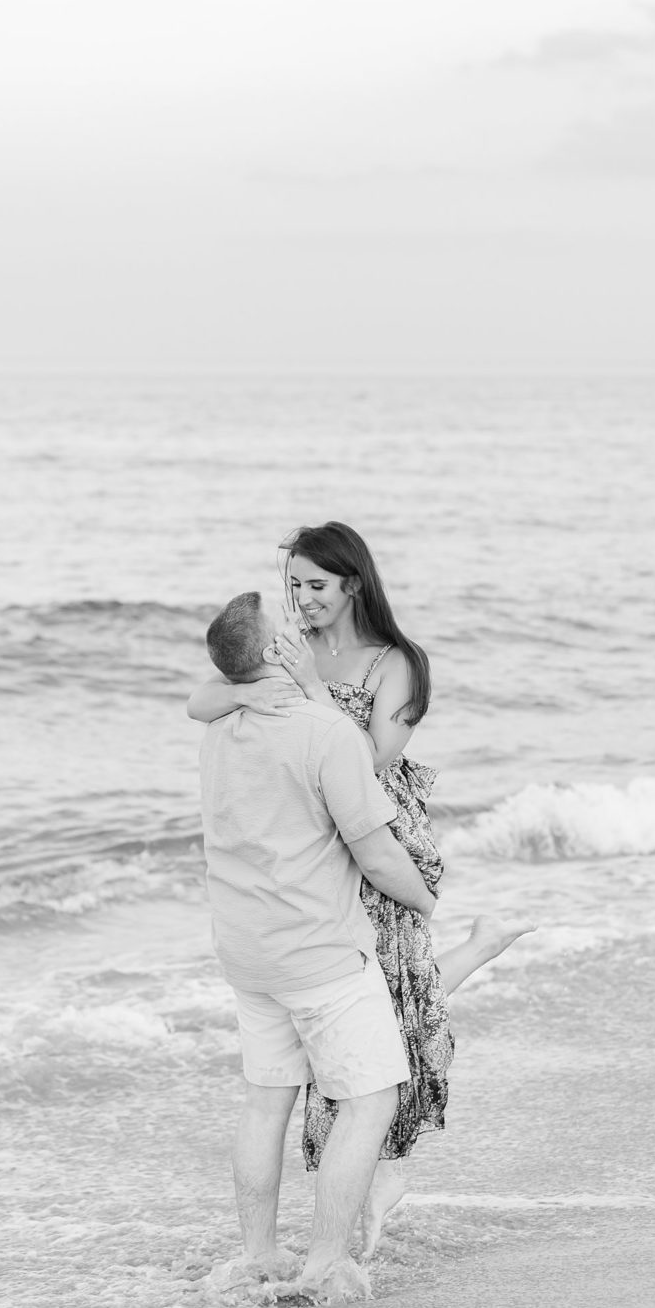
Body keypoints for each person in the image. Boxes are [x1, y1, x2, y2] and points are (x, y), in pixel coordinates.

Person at [189, 522, 534, 1258]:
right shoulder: (288, 647)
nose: (302, 599)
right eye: (292, 586)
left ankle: (378, 1175)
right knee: (354, 1026)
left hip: (371, 831)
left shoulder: (395, 661)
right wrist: (254, 688)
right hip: (318, 835)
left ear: (353, 583)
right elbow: (204, 703)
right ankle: (371, 1184)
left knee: (393, 1001)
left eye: (316, 585)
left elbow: (372, 757)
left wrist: (305, 692)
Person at [197, 589, 441, 1304]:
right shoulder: (324, 732)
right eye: (284, 628)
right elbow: (376, 851)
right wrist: (427, 900)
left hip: (245, 949)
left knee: (265, 1101)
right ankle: (324, 1264)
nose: (297, 626)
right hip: (318, 953)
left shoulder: (221, 724)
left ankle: (259, 1255)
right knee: (371, 1099)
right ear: (274, 652)